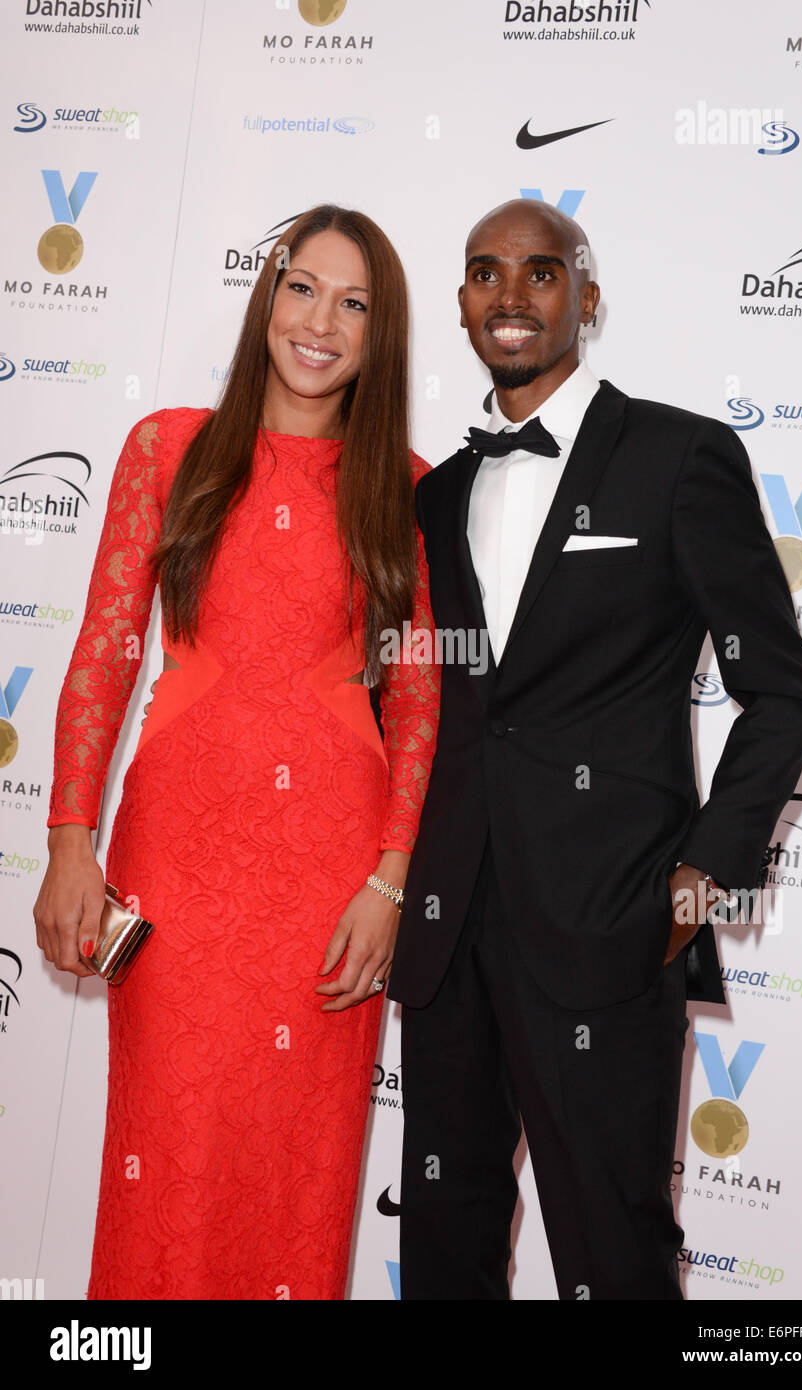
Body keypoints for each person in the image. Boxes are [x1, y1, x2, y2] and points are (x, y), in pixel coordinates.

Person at [387, 198, 802, 1300]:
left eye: (542, 273)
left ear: (588, 296)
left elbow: (781, 692)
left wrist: (701, 874)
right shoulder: (432, 495)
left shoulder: (679, 456)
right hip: (448, 932)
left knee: (613, 1245)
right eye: (487, 274)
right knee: (445, 1232)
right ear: (460, 306)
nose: (512, 296)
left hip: (608, 921)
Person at [33, 204, 440, 1301]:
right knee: (159, 1161)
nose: (321, 321)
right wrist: (70, 841)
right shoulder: (164, 448)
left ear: (380, 334)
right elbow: (105, 655)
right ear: (268, 295)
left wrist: (389, 884)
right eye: (303, 287)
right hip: (176, 872)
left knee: (297, 1182)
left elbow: (417, 704)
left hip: (327, 886)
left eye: (354, 303)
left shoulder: (408, 487)